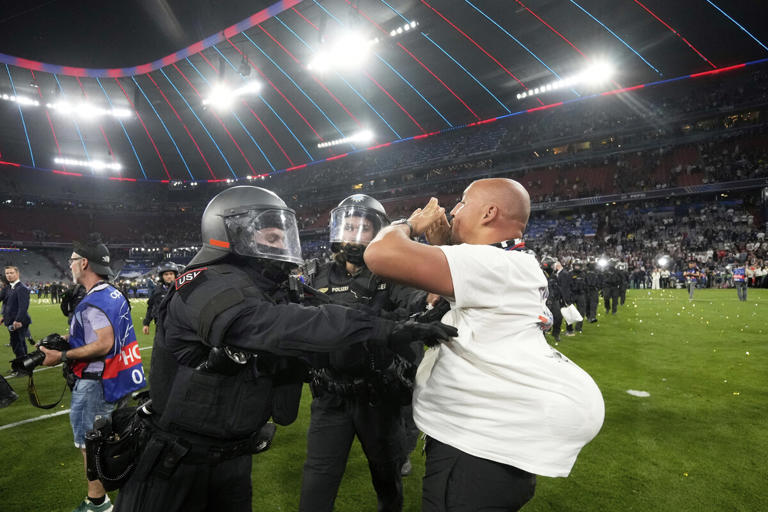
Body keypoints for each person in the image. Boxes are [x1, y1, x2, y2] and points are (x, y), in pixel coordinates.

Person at [114, 186, 455, 512]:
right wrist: (387, 329)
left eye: (284, 235)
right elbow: (283, 325)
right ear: (232, 233)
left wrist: (403, 323)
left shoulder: (269, 286)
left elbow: (343, 312)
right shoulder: (205, 282)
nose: (283, 245)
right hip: (174, 465)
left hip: (231, 457)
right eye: (271, 237)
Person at [365, 178, 605, 512]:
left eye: (463, 202)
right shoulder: (509, 261)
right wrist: (442, 243)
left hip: (475, 451)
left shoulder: (497, 265)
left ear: (489, 212)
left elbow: (380, 254)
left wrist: (407, 225)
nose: (454, 211)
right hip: (495, 442)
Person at [299, 194, 427, 512]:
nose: (353, 234)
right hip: (329, 397)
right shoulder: (316, 276)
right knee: (317, 482)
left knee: (387, 480)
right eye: (347, 226)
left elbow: (417, 301)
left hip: (378, 398)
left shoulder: (393, 274)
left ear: (378, 233)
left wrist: (427, 299)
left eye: (362, 227)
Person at [39, 240, 147, 512]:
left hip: (97, 383)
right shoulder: (113, 293)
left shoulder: (94, 300)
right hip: (117, 378)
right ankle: (113, 498)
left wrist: (61, 356)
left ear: (84, 263)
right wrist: (67, 339)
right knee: (111, 441)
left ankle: (98, 503)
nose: (70, 264)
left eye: (73, 259)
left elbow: (104, 343)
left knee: (92, 445)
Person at [3, 266, 32, 375]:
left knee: (18, 345)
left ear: (17, 274)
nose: (9, 275)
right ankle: (24, 367)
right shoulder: (10, 288)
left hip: (19, 322)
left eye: (11, 273)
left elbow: (23, 307)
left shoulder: (22, 288)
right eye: (7, 273)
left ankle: (22, 369)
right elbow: (8, 305)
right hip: (12, 321)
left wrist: (18, 320)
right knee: (20, 344)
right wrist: (4, 317)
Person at [142, 261, 179, 335]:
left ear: (175, 275)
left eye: (171, 274)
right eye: (166, 274)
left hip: (177, 327)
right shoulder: (156, 290)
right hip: (160, 326)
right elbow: (151, 307)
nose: (169, 276)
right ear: (162, 276)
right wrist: (146, 323)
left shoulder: (181, 289)